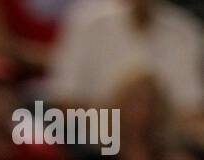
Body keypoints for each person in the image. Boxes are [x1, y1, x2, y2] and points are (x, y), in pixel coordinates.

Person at [49, 0, 204, 126]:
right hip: (97, 143)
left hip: (163, 149)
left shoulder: (186, 33)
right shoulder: (86, 22)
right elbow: (65, 101)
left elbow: (192, 111)